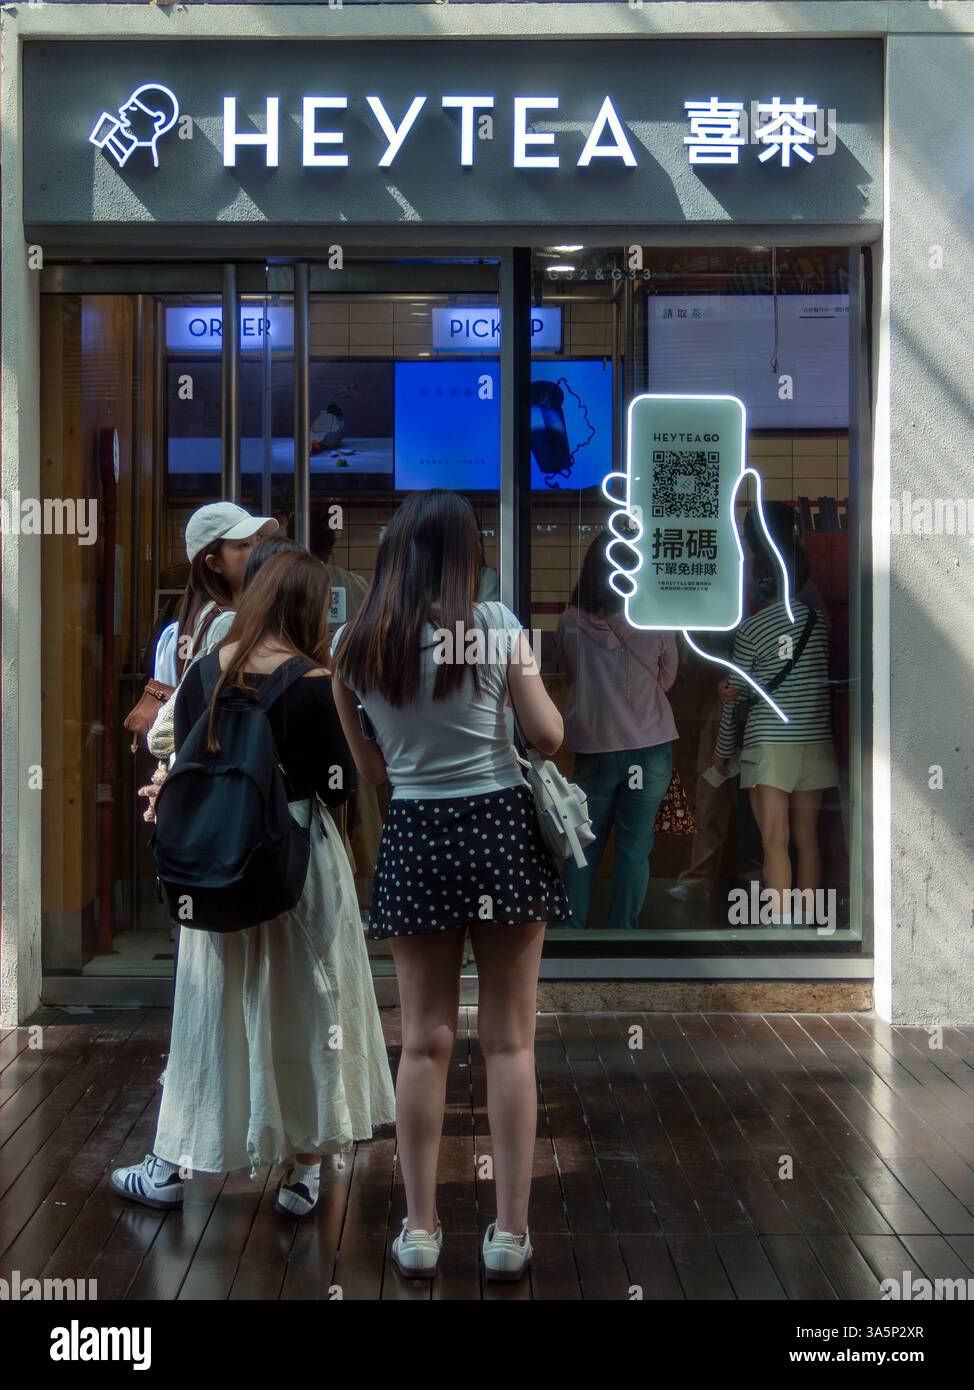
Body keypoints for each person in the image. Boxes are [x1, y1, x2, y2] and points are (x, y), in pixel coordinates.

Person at [329, 488, 571, 1281]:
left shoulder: (354, 648)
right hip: (500, 831)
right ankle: (508, 1235)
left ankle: (422, 1229)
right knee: (510, 1041)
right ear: (465, 556)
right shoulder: (496, 628)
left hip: (418, 838)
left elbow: (373, 774)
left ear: (394, 553)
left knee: (424, 1041)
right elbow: (548, 735)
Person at [112, 550, 396, 1216]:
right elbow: (338, 783)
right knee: (308, 1011)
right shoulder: (313, 682)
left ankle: (173, 1162)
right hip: (296, 862)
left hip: (215, 862)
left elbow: (171, 746)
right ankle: (303, 1171)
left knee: (210, 1013)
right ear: (305, 606)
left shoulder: (210, 668)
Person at [712, 513, 837, 926]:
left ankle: (781, 926)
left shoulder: (751, 629)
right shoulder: (820, 623)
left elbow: (735, 697)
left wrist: (722, 753)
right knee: (808, 839)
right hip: (815, 741)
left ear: (760, 581)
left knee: (774, 840)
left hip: (768, 745)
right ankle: (809, 920)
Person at [554, 530, 679, 930]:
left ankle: (572, 934)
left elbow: (570, 677)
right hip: (651, 746)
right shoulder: (657, 618)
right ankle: (623, 934)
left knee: (582, 845)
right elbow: (668, 678)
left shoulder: (569, 623)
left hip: (595, 749)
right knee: (634, 848)